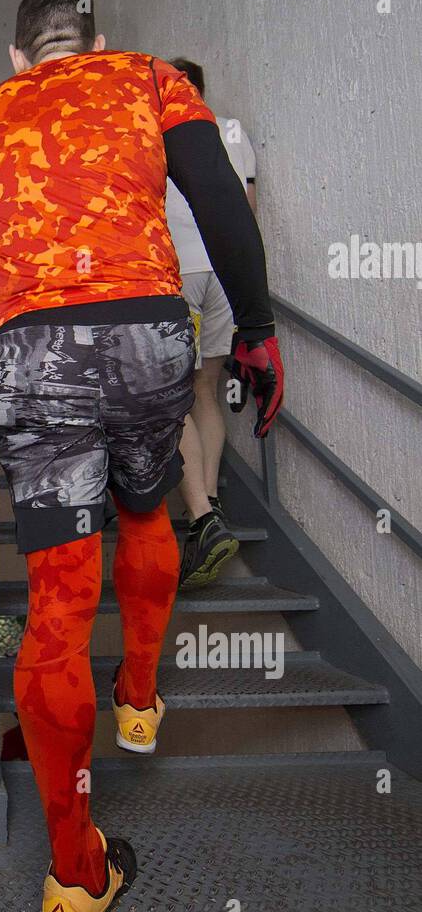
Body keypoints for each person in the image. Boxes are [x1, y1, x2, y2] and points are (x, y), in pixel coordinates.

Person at [0, 0, 283, 912]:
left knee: (54, 598)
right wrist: (251, 328)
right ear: (91, 39)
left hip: (30, 349)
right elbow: (216, 199)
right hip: (144, 332)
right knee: (146, 516)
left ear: (15, 56)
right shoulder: (145, 77)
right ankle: (136, 698)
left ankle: (72, 882)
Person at [166, 57, 258, 588]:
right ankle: (214, 506)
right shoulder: (230, 131)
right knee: (208, 390)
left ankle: (201, 513)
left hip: (179, 273)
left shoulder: (161, 135)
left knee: (173, 395)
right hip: (225, 273)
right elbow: (246, 209)